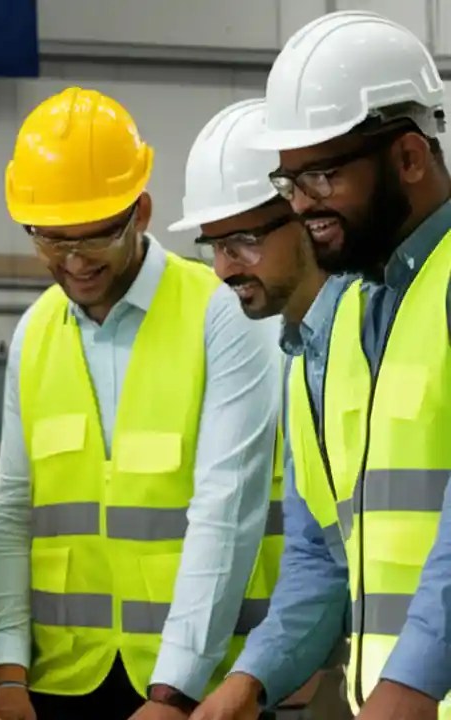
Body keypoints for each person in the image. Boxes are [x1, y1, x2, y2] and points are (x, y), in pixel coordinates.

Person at [0, 86, 285, 720]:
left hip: (198, 688)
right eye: (51, 241)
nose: (73, 261)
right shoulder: (35, 333)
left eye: (93, 237)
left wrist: (175, 689)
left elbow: (226, 505)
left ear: (141, 211)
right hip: (62, 685)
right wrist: (7, 671)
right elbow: (12, 513)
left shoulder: (220, 313)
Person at [240, 9, 451, 718]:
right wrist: (250, 683)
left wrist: (412, 685)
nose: (301, 206)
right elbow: (328, 555)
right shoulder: (352, 314)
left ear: (410, 159)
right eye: (289, 181)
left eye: (323, 176)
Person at [169, 98, 355, 720]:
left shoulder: (374, 335)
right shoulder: (303, 358)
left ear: (307, 216)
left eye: (244, 241)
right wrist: (249, 680)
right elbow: (319, 559)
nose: (223, 268)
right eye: (213, 245)